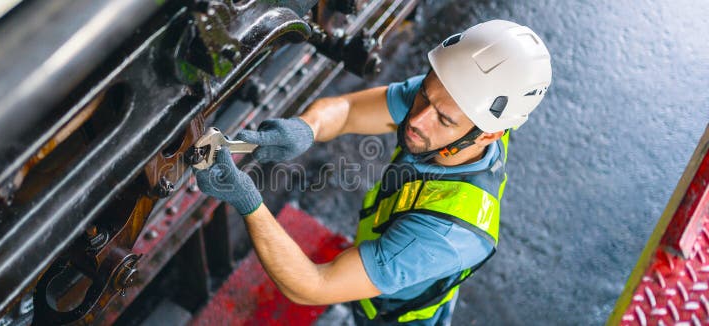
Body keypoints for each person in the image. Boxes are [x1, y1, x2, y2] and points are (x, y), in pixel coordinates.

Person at [194, 20, 552, 325]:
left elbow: (313, 285)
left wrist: (247, 200)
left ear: (490, 134)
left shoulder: (444, 236)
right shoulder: (456, 105)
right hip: (387, 262)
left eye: (442, 119)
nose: (416, 119)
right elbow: (348, 110)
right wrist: (306, 128)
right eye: (424, 96)